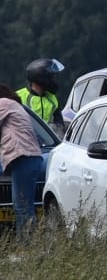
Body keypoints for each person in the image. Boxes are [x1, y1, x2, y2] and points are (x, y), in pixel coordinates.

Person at [0, 83, 46, 240]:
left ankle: (28, 246)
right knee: (22, 205)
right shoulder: (15, 105)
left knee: (23, 207)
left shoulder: (3, 104)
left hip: (22, 157)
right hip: (30, 157)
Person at [17, 58, 64, 127]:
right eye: (51, 77)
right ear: (41, 78)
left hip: (45, 137)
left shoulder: (53, 99)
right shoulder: (18, 97)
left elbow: (59, 126)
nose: (53, 81)